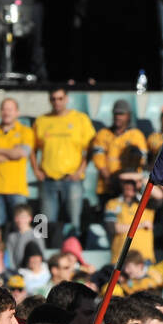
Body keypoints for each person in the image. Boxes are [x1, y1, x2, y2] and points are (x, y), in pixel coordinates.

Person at [33, 88, 95, 232]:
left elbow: (91, 147)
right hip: (48, 180)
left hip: (72, 180)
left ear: (66, 99)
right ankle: (46, 246)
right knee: (45, 225)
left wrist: (80, 171)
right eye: (53, 99)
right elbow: (32, 148)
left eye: (60, 98)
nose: (57, 102)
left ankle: (74, 245)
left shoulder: (80, 119)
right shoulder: (41, 121)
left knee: (74, 223)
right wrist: (36, 170)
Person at [0, 98, 34, 227]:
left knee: (20, 226)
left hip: (17, 188)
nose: (6, 112)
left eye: (10, 109)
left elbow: (22, 153)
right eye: (4, 109)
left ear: (17, 112)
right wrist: (12, 154)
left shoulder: (26, 131)